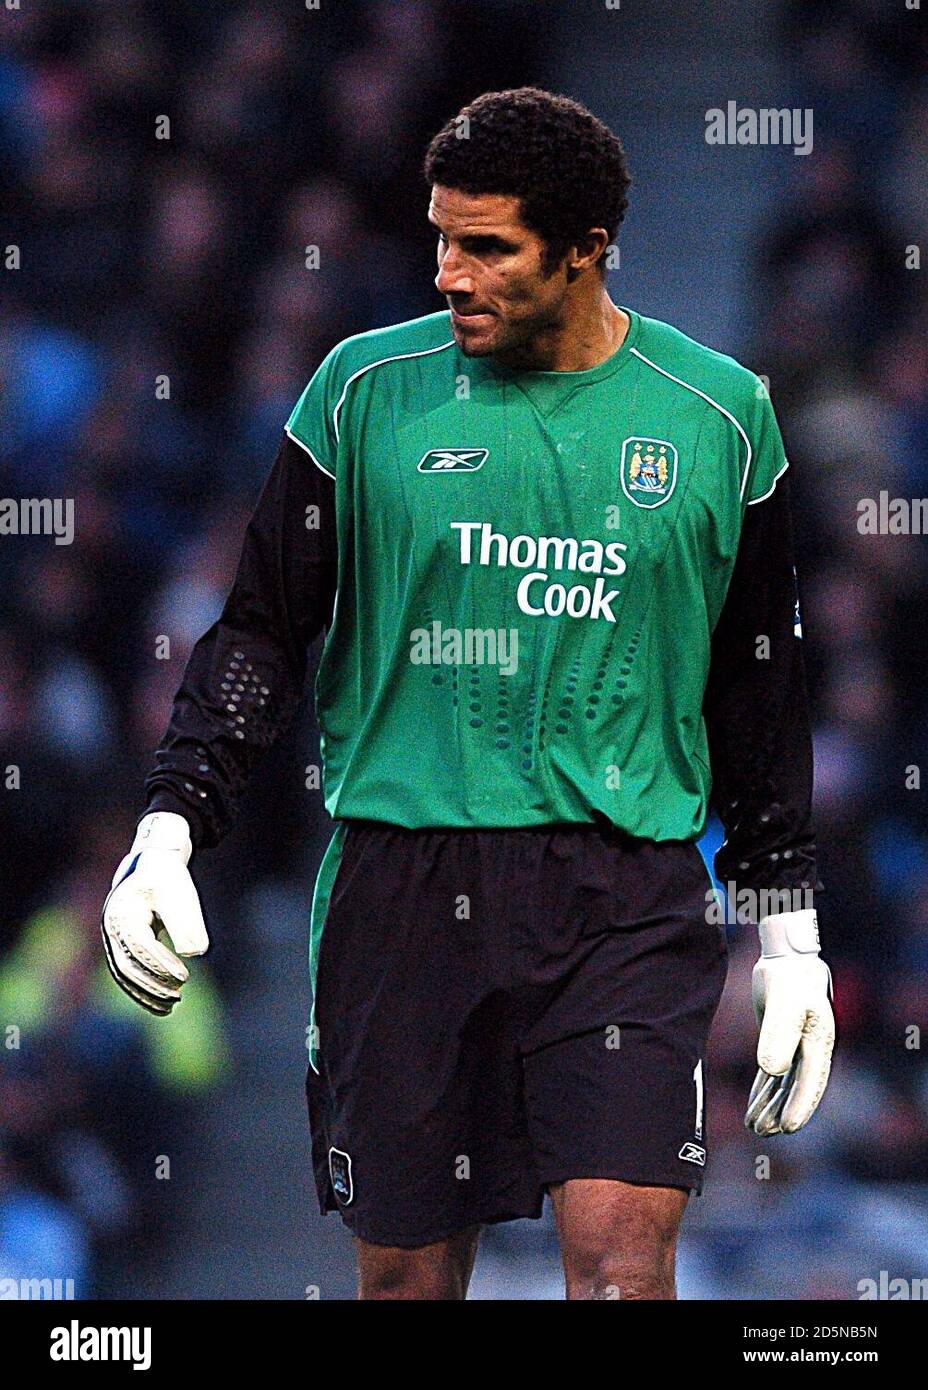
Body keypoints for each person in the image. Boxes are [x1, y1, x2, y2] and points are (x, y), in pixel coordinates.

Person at [101, 88, 835, 1300]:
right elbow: (263, 631)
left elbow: (758, 689)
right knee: (401, 1284)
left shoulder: (720, 416)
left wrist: (792, 935)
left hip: (625, 892)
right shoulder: (359, 391)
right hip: (403, 880)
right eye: (442, 237)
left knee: (618, 1263)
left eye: (486, 245)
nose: (449, 272)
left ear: (586, 248)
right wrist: (169, 827)